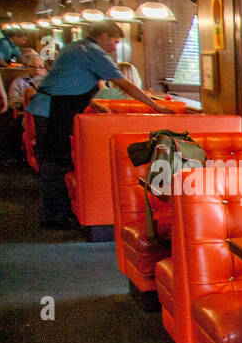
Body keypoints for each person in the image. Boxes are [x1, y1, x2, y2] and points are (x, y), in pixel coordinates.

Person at [28, 21, 166, 229]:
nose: (115, 46)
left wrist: (94, 104)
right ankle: (54, 216)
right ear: (103, 36)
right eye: (115, 41)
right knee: (54, 163)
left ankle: (58, 212)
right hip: (52, 111)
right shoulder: (93, 52)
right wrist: (156, 107)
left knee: (55, 162)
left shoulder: (75, 48)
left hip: (51, 108)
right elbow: (125, 83)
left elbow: (67, 82)